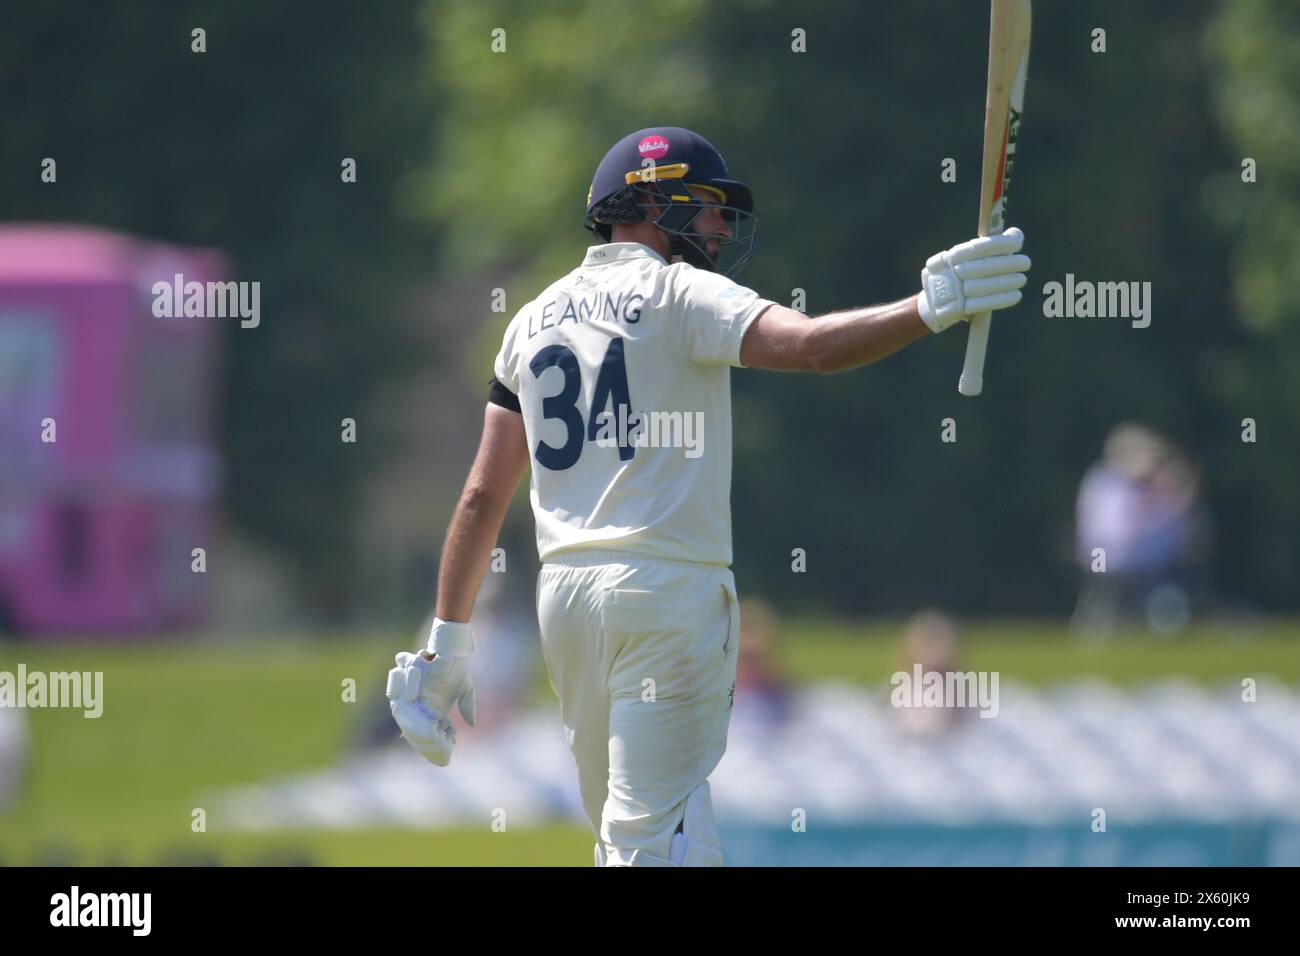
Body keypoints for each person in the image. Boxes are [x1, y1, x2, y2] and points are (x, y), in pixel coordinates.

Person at [384, 127, 1032, 866]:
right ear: (646, 202)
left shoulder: (529, 321)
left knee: (646, 841)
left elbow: (481, 497)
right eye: (707, 207)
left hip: (564, 602)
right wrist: (929, 306)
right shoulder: (678, 290)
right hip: (667, 593)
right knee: (648, 849)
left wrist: (445, 643)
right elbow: (814, 345)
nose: (721, 227)